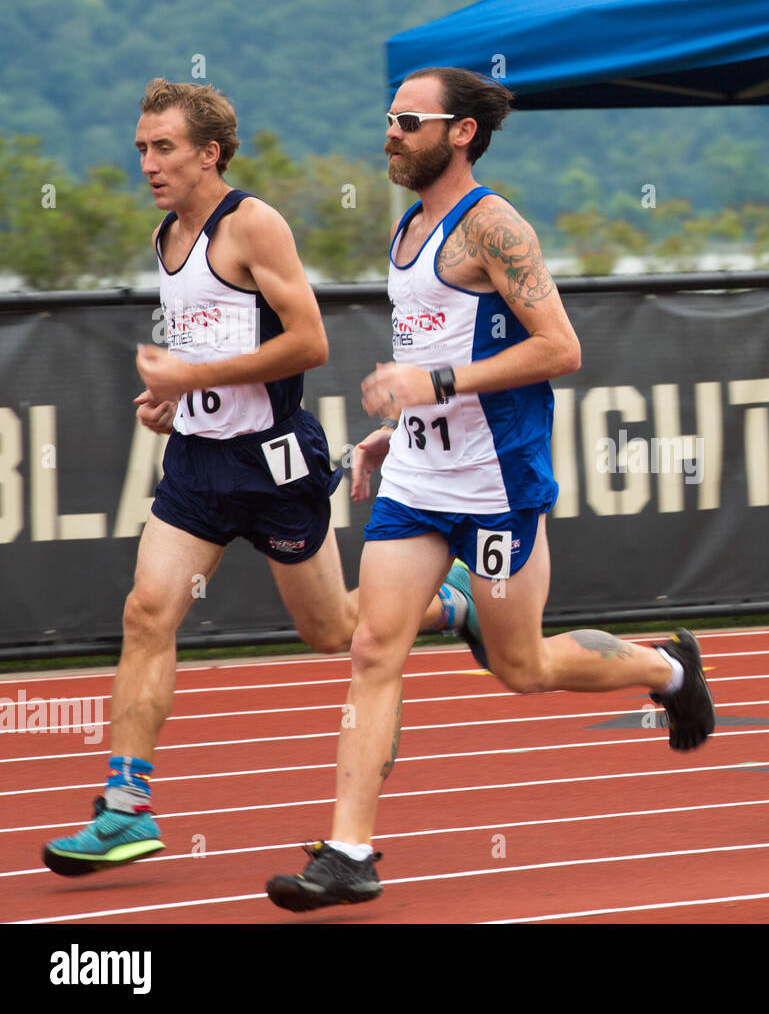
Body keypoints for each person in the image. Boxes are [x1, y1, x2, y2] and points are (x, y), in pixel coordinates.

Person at [265, 67, 714, 912]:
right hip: (417, 478)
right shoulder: (407, 228)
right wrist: (395, 428)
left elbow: (561, 349)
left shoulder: (495, 227)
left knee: (523, 666)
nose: (390, 131)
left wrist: (432, 385)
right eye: (388, 117)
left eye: (407, 119)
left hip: (499, 485)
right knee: (371, 647)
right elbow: (435, 354)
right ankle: (350, 852)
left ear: (460, 131)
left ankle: (664, 667)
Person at [42, 79, 482, 877]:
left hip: (274, 467)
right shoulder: (164, 239)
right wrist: (176, 400)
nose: (148, 162)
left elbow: (309, 343)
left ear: (209, 153)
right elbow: (208, 354)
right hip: (198, 468)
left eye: (164, 147)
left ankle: (450, 602)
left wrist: (192, 371)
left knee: (330, 631)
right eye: (142, 147)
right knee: (147, 613)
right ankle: (124, 808)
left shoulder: (253, 225)